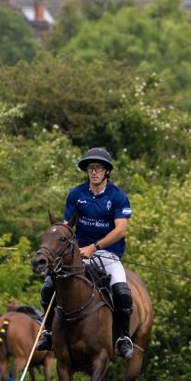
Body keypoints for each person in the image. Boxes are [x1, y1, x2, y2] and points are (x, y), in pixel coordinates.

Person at [39, 147, 134, 359]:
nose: (94, 172)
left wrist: (95, 247)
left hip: (108, 254)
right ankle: (47, 332)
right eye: (91, 168)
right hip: (78, 255)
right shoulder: (76, 194)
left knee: (121, 292)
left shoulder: (118, 197)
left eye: (98, 168)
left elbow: (120, 230)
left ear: (106, 171)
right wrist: (60, 249)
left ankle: (123, 337)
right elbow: (66, 226)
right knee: (48, 287)